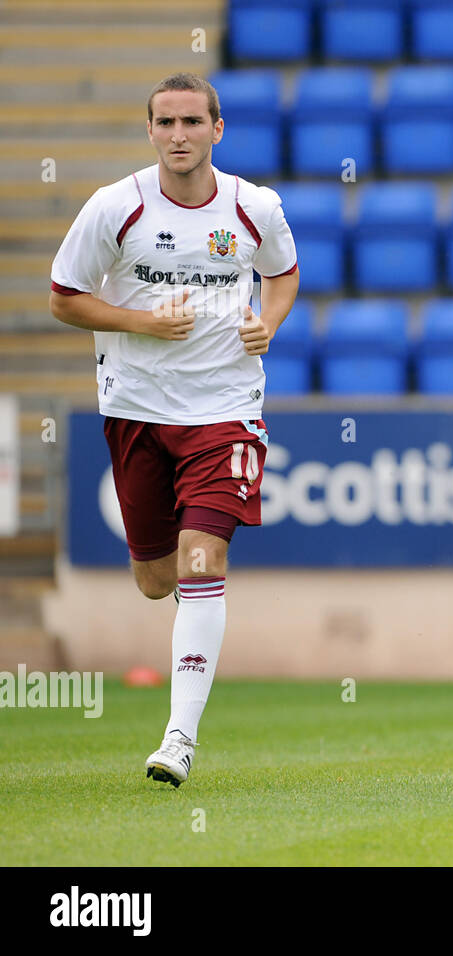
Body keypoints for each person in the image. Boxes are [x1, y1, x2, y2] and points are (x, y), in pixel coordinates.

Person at [49, 72, 299, 787]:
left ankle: (178, 740)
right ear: (150, 131)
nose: (179, 135)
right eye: (166, 123)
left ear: (218, 129)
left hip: (225, 410)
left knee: (200, 562)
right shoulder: (113, 208)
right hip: (135, 408)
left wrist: (268, 324)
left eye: (193, 122)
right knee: (157, 579)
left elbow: (283, 274)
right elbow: (66, 300)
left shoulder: (256, 207)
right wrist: (142, 323)